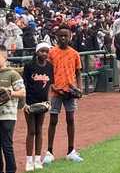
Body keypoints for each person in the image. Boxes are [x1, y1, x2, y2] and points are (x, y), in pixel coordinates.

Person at [43, 28, 83, 164]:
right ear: (56, 37)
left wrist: (79, 89)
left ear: (70, 37)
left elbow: (78, 73)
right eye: (61, 36)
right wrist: (52, 85)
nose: (63, 38)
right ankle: (49, 152)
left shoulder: (75, 54)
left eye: (66, 36)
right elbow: (47, 72)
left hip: (70, 91)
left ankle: (71, 151)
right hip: (56, 91)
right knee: (53, 120)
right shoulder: (51, 53)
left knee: (70, 119)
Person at [0, 45, 24, 173]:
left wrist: (9, 92)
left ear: (5, 58)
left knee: (6, 146)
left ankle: (11, 170)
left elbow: (22, 92)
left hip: (8, 116)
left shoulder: (12, 74)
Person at [22, 43, 53, 172]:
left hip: (43, 102)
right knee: (31, 130)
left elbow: (50, 85)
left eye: (46, 51)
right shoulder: (29, 66)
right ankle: (29, 160)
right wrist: (24, 103)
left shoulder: (50, 67)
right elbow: (23, 85)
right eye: (41, 51)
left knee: (39, 129)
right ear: (37, 52)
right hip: (30, 102)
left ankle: (37, 159)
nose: (44, 54)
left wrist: (49, 101)